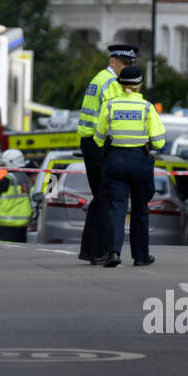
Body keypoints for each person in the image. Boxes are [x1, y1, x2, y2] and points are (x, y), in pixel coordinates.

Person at [93, 64, 166, 267]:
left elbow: (98, 138)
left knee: (117, 207)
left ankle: (113, 253)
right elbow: (159, 141)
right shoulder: (146, 107)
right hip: (140, 162)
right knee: (140, 208)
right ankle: (141, 256)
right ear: (139, 85)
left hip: (114, 161)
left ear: (120, 83)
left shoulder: (109, 105)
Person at [77, 43, 138, 264]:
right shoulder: (109, 83)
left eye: (130, 64)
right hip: (98, 142)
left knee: (102, 196)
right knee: (105, 196)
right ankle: (97, 251)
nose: (127, 67)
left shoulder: (102, 80)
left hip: (92, 141)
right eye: (125, 63)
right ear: (113, 61)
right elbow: (113, 116)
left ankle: (91, 250)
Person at [0, 149, 33, 241]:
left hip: (6, 225)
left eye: (4, 163)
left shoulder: (9, 179)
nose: (4, 166)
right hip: (22, 225)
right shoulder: (26, 179)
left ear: (11, 162)